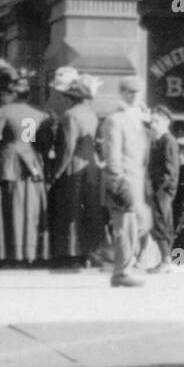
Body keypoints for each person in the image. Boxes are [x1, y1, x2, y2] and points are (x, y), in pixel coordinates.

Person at [0, 63, 49, 265]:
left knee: (8, 205)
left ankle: (8, 252)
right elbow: (33, 138)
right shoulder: (38, 114)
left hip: (9, 160)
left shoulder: (3, 111)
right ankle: (29, 251)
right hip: (30, 160)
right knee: (30, 206)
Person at [98, 74, 150, 287]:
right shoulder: (114, 120)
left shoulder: (138, 118)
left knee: (142, 223)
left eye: (137, 93)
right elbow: (113, 154)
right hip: (123, 181)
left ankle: (127, 264)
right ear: (121, 93)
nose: (134, 96)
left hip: (137, 181)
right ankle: (121, 272)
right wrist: (118, 180)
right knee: (126, 228)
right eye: (129, 92)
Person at [47, 74, 102, 268]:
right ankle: (89, 252)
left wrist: (56, 173)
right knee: (89, 209)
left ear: (68, 97)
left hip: (74, 168)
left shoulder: (69, 115)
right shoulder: (91, 114)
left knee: (70, 209)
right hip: (91, 167)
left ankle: (71, 253)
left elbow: (67, 148)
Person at [145, 105, 180, 273]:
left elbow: (170, 170)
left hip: (163, 191)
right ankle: (168, 260)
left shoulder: (168, 141)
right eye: (152, 120)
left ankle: (167, 260)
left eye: (156, 121)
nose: (153, 124)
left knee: (161, 223)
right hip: (160, 190)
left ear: (166, 122)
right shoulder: (159, 140)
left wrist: (158, 187)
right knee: (161, 223)